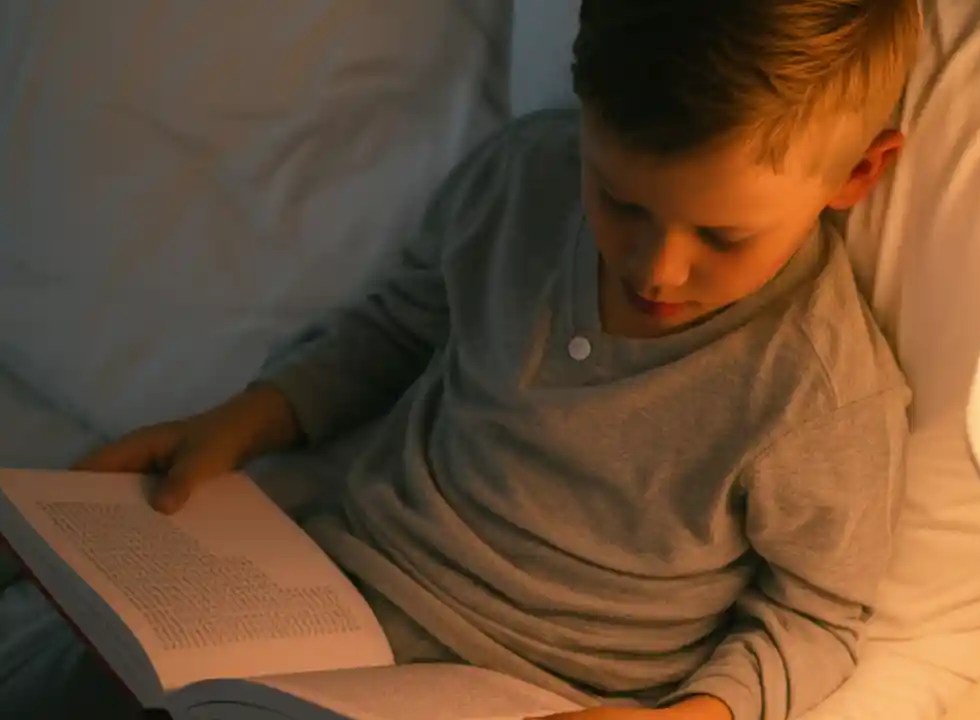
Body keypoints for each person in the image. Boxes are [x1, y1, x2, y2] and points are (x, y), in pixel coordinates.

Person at [2, 2, 920, 718]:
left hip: (535, 691)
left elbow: (818, 616)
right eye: (621, 200)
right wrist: (245, 421)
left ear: (858, 175)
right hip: (330, 595)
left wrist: (703, 713)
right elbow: (401, 327)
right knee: (70, 677)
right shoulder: (529, 178)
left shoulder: (820, 394)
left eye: (722, 235)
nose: (657, 267)